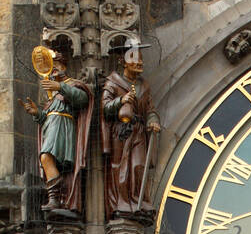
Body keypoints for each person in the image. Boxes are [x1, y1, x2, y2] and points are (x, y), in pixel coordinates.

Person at [19, 51, 92, 214]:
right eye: (50, 69)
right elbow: (47, 117)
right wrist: (36, 113)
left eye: (55, 67)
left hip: (64, 129)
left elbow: (82, 99)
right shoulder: (52, 95)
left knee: (45, 157)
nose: (53, 71)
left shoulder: (72, 84)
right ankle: (55, 199)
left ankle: (55, 198)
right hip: (51, 128)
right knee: (46, 158)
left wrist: (60, 87)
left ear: (63, 66)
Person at [101, 44, 161, 217]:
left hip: (138, 130)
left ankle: (138, 200)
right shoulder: (113, 82)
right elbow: (104, 108)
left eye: (140, 58)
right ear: (123, 62)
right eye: (133, 58)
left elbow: (150, 109)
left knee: (138, 164)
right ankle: (122, 202)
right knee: (121, 166)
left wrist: (153, 120)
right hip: (120, 132)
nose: (139, 62)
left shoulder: (144, 86)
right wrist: (121, 100)